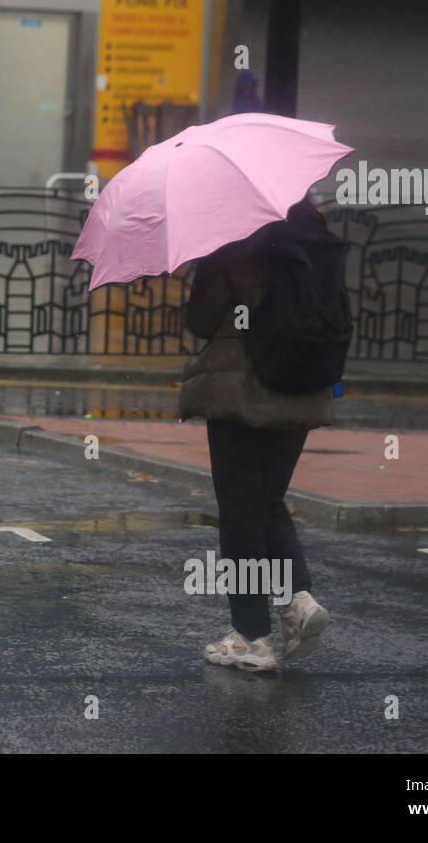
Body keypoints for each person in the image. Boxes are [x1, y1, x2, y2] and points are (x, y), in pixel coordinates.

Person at [179, 199, 333, 673]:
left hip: (240, 393)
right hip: (302, 386)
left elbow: (201, 321)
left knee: (240, 511)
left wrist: (203, 268)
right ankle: (297, 599)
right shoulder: (317, 239)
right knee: (266, 500)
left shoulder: (231, 238)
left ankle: (251, 636)